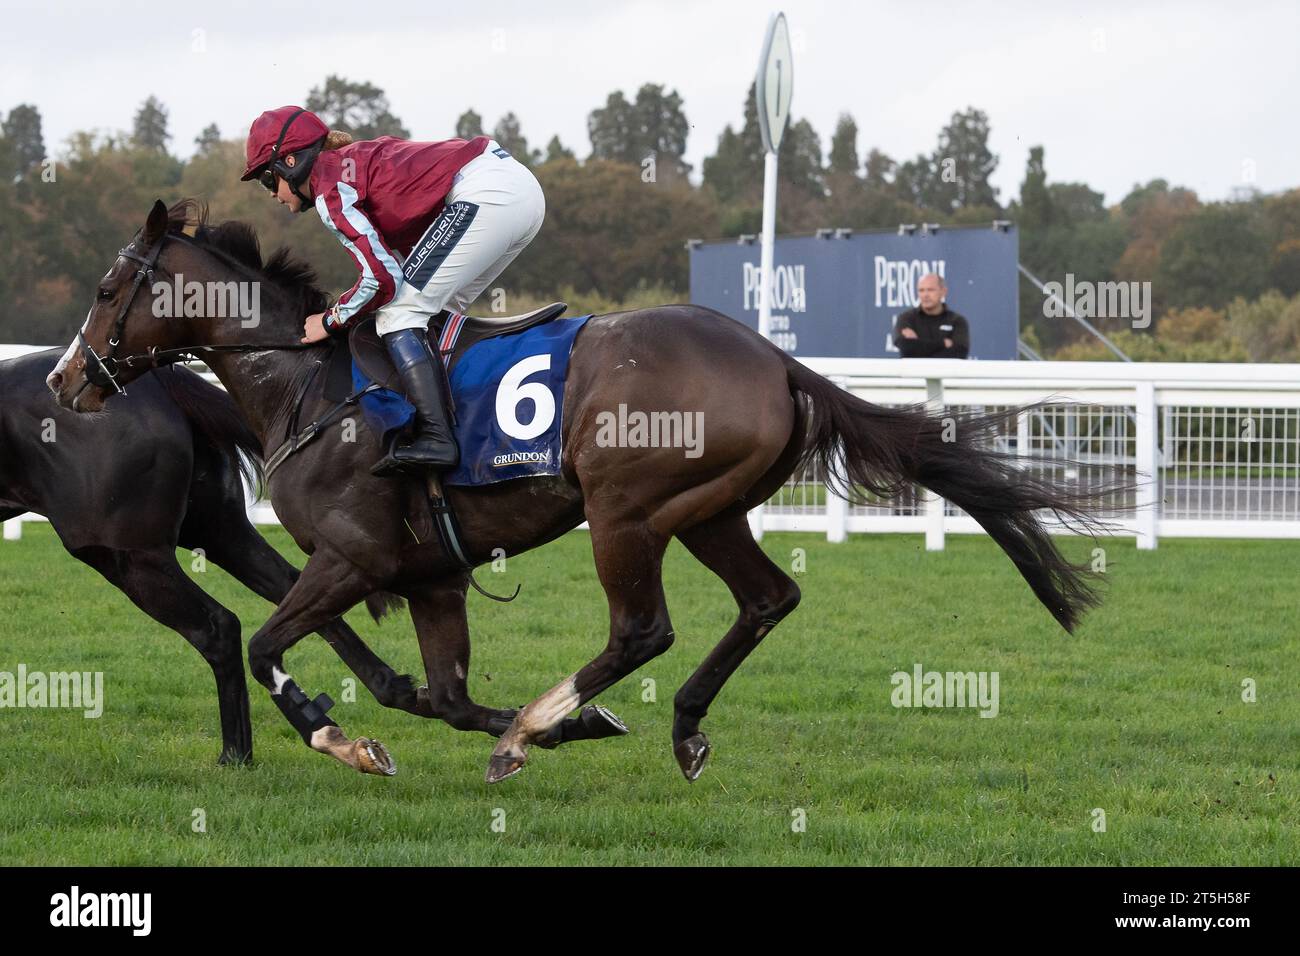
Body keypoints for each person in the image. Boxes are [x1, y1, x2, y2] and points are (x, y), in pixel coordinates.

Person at [240, 105, 546, 476]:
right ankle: (465, 419)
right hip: (513, 190)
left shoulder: (330, 189)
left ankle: (437, 437)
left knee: (399, 313)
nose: (272, 194)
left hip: (491, 192)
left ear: (290, 162)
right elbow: (392, 271)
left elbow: (381, 278)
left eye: (268, 180)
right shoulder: (344, 167)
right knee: (432, 311)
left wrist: (332, 318)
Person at [892, 273, 970, 358]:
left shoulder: (957, 321)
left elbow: (959, 352)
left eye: (930, 290)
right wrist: (943, 343)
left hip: (945, 371)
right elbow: (905, 347)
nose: (925, 295)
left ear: (943, 292)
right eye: (921, 290)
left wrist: (918, 346)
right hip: (914, 371)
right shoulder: (906, 318)